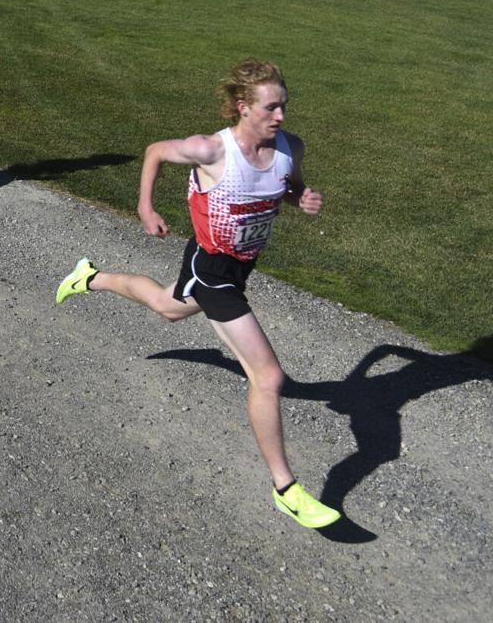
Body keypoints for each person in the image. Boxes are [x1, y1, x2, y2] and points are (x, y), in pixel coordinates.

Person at [55, 59, 342, 529]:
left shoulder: (291, 149)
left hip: (239, 267)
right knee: (268, 378)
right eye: (272, 108)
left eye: (284, 107)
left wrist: (302, 198)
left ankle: (91, 276)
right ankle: (286, 489)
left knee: (167, 308)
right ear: (242, 107)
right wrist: (145, 207)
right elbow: (153, 152)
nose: (282, 117)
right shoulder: (209, 150)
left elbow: (285, 189)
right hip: (214, 272)